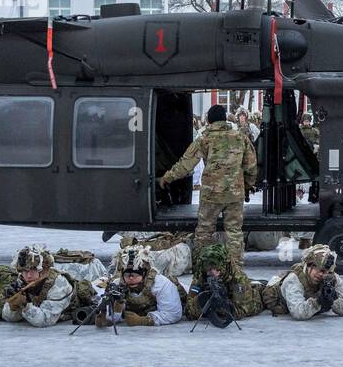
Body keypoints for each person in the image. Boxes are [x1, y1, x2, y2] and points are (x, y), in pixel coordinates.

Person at [158, 104, 258, 259]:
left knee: (205, 231)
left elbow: (186, 163)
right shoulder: (240, 137)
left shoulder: (204, 139)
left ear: (209, 120)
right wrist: (247, 184)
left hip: (211, 194)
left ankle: (204, 270)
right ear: (224, 119)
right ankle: (235, 270)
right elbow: (251, 166)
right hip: (234, 193)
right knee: (234, 233)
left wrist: (167, 178)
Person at [95, 245, 184, 327]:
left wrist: (145, 321)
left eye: (135, 274)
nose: (131, 278)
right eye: (127, 275)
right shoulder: (116, 286)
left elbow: (173, 314)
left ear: (145, 273)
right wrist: (111, 312)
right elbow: (106, 314)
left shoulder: (161, 284)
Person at [185, 242, 269, 326]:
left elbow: (242, 310)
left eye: (215, 268)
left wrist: (222, 304)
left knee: (265, 292)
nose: (211, 272)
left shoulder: (238, 279)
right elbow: (188, 310)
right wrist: (201, 301)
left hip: (255, 297)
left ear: (224, 266)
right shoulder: (201, 275)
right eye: (208, 269)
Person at [264, 244, 343, 321]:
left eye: (326, 272)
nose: (321, 275)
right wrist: (318, 302)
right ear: (308, 265)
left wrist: (334, 300)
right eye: (319, 270)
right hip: (275, 293)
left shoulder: (331, 277)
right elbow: (298, 312)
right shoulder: (294, 280)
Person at [2, 245, 78, 327]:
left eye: (33, 270)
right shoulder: (21, 281)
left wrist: (26, 306)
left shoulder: (58, 285)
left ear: (44, 270)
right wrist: (13, 306)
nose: (28, 276)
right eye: (24, 271)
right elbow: (7, 316)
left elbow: (45, 320)